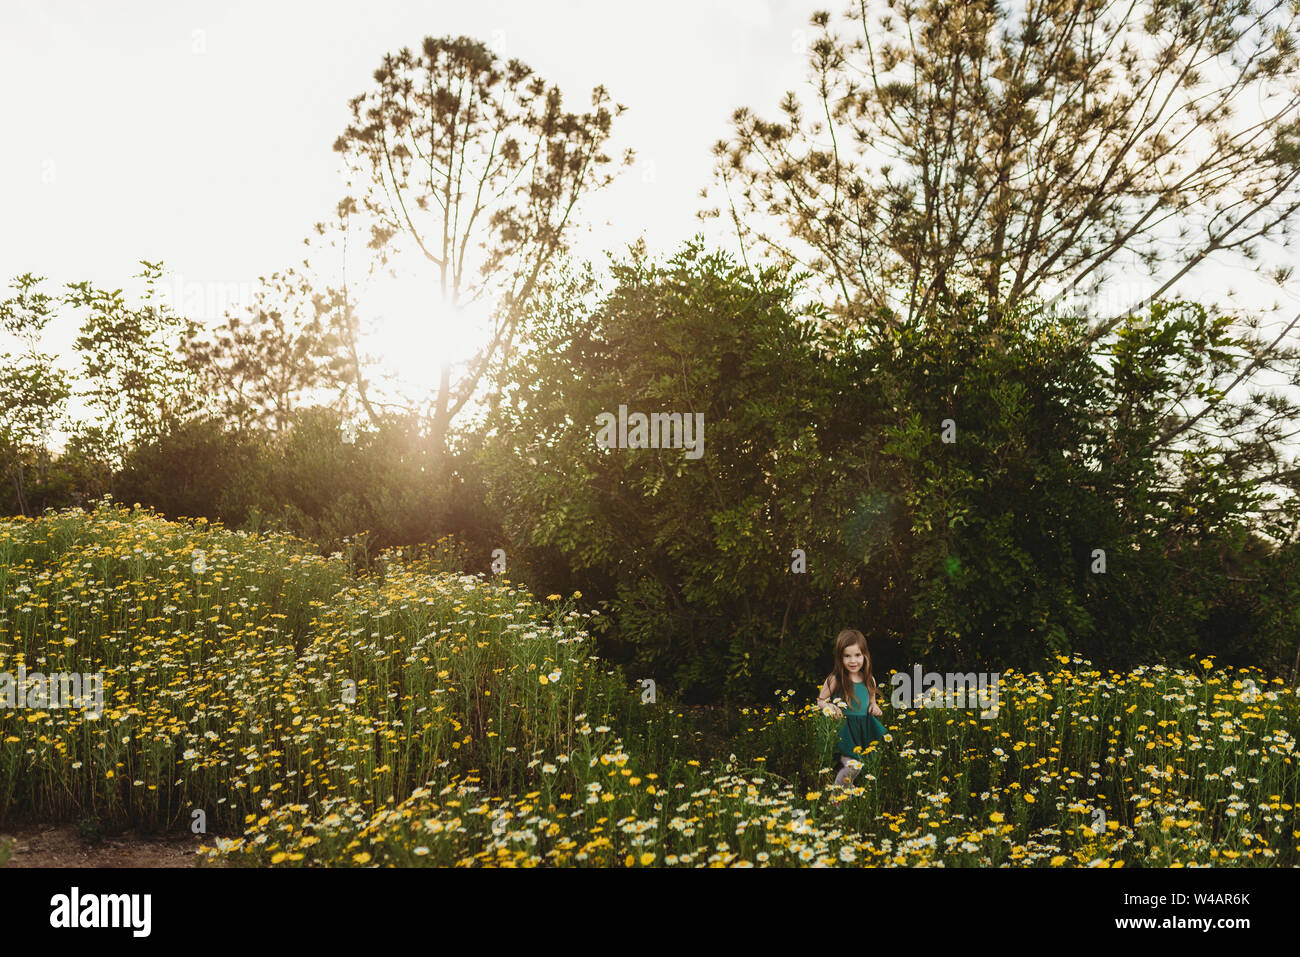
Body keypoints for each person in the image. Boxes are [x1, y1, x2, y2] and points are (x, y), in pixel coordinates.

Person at [817, 628, 886, 787]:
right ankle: (836, 800)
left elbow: (871, 701)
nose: (853, 660)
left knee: (861, 767)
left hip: (863, 731)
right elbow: (820, 700)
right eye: (847, 656)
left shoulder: (869, 680)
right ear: (840, 658)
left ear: (865, 655)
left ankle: (846, 799)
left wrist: (875, 707)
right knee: (853, 766)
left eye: (857, 655)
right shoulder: (835, 679)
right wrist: (830, 707)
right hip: (845, 732)